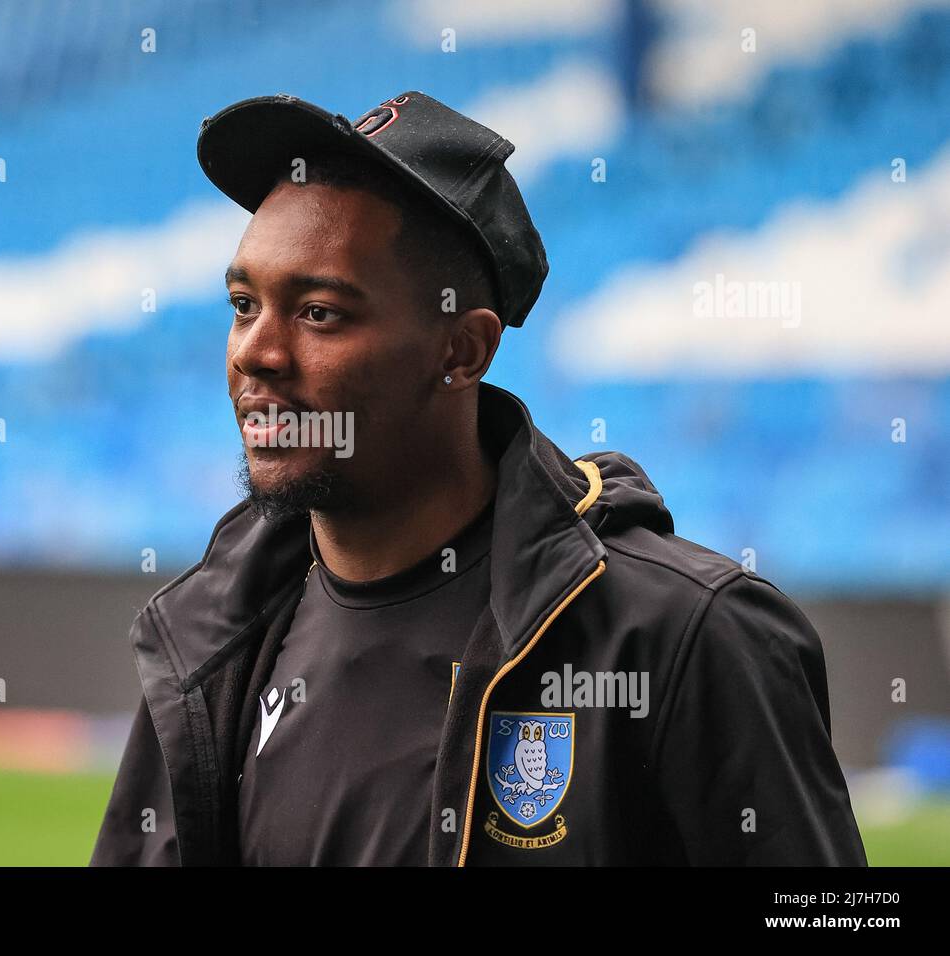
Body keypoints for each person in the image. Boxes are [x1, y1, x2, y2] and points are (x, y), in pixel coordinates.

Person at [89, 91, 868, 866]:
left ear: (462, 351)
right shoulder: (215, 642)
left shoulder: (685, 638)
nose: (255, 352)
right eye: (243, 304)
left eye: (319, 312)